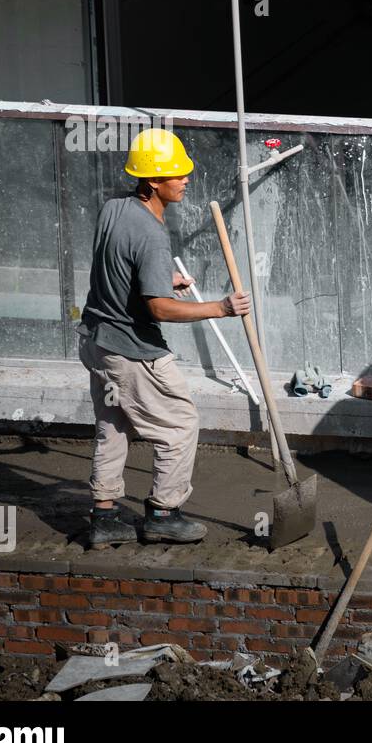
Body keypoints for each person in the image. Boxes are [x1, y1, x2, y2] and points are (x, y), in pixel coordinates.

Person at [79, 127, 250, 549]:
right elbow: (158, 310)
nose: (186, 180)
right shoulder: (154, 236)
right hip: (130, 349)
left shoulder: (114, 208)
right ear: (153, 181)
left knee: (114, 426)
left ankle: (104, 518)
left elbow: (118, 268)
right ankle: (163, 514)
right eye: (176, 174)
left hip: (97, 340)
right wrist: (220, 308)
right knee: (179, 424)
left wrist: (157, 279)